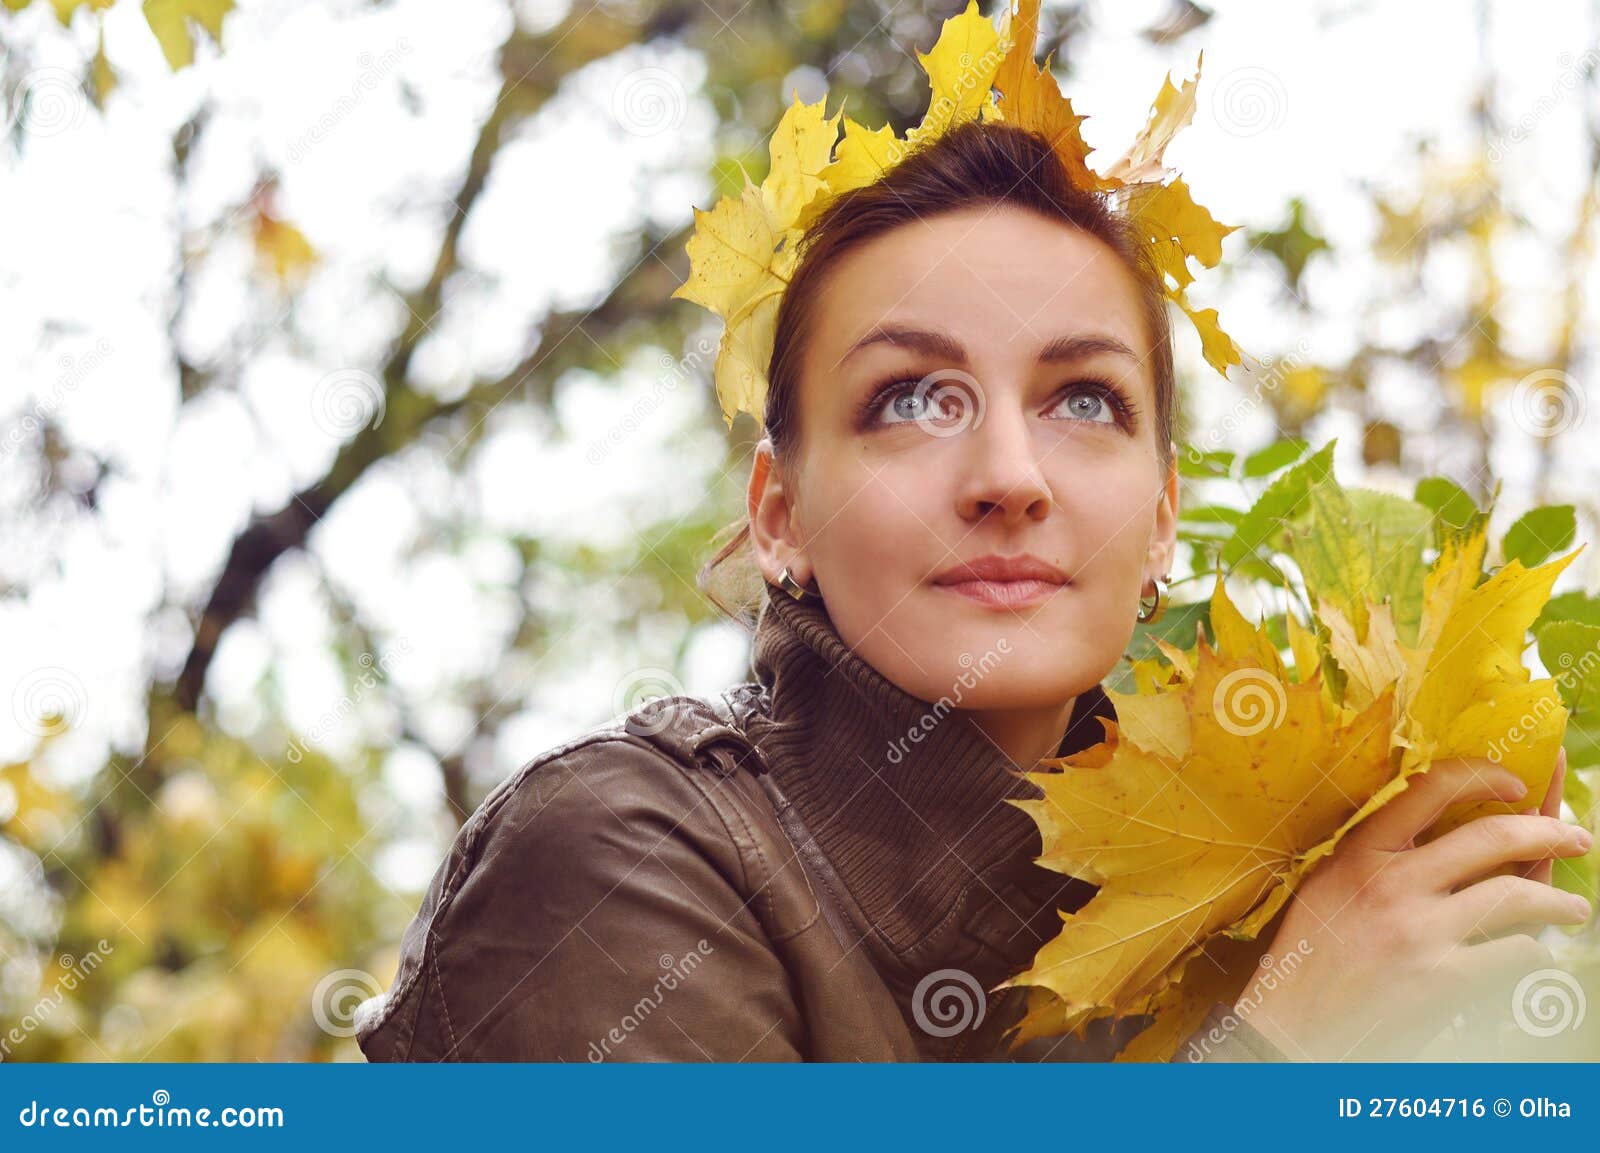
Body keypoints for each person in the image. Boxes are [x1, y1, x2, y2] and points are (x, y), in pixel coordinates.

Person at [356, 4, 1593, 1061]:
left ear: (1163, 516)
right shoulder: (613, 861)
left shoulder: (1260, 906)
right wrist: (1279, 1053)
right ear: (778, 512)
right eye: (910, 400)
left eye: (1083, 401)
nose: (1008, 475)